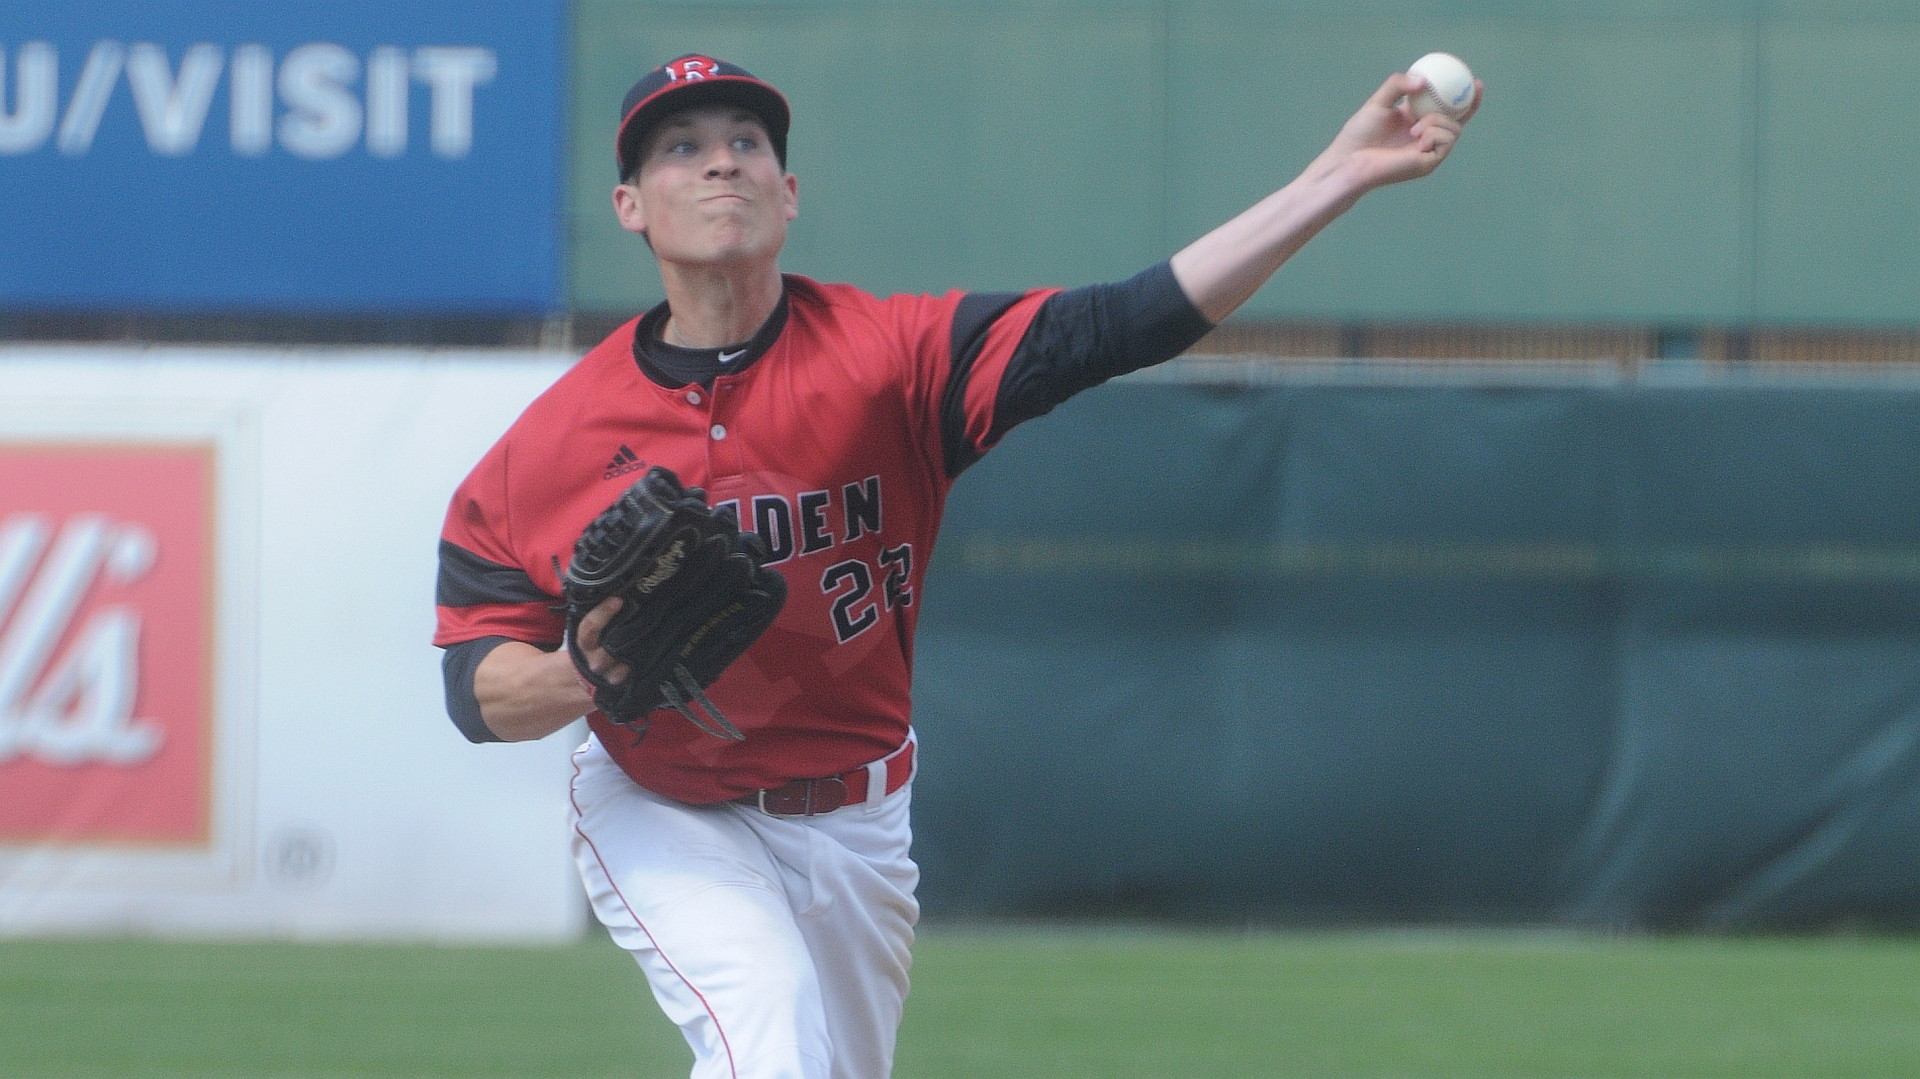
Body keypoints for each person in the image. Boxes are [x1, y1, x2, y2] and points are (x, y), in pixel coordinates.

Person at [434, 52, 1477, 1079]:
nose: (721, 164)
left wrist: (1333, 178)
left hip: (859, 820)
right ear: (630, 203)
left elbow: (1125, 320)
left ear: (789, 193)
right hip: (665, 806)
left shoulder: (889, 357)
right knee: (768, 1030)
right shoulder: (556, 443)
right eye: (682, 148)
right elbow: (472, 690)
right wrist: (583, 670)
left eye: (746, 142)